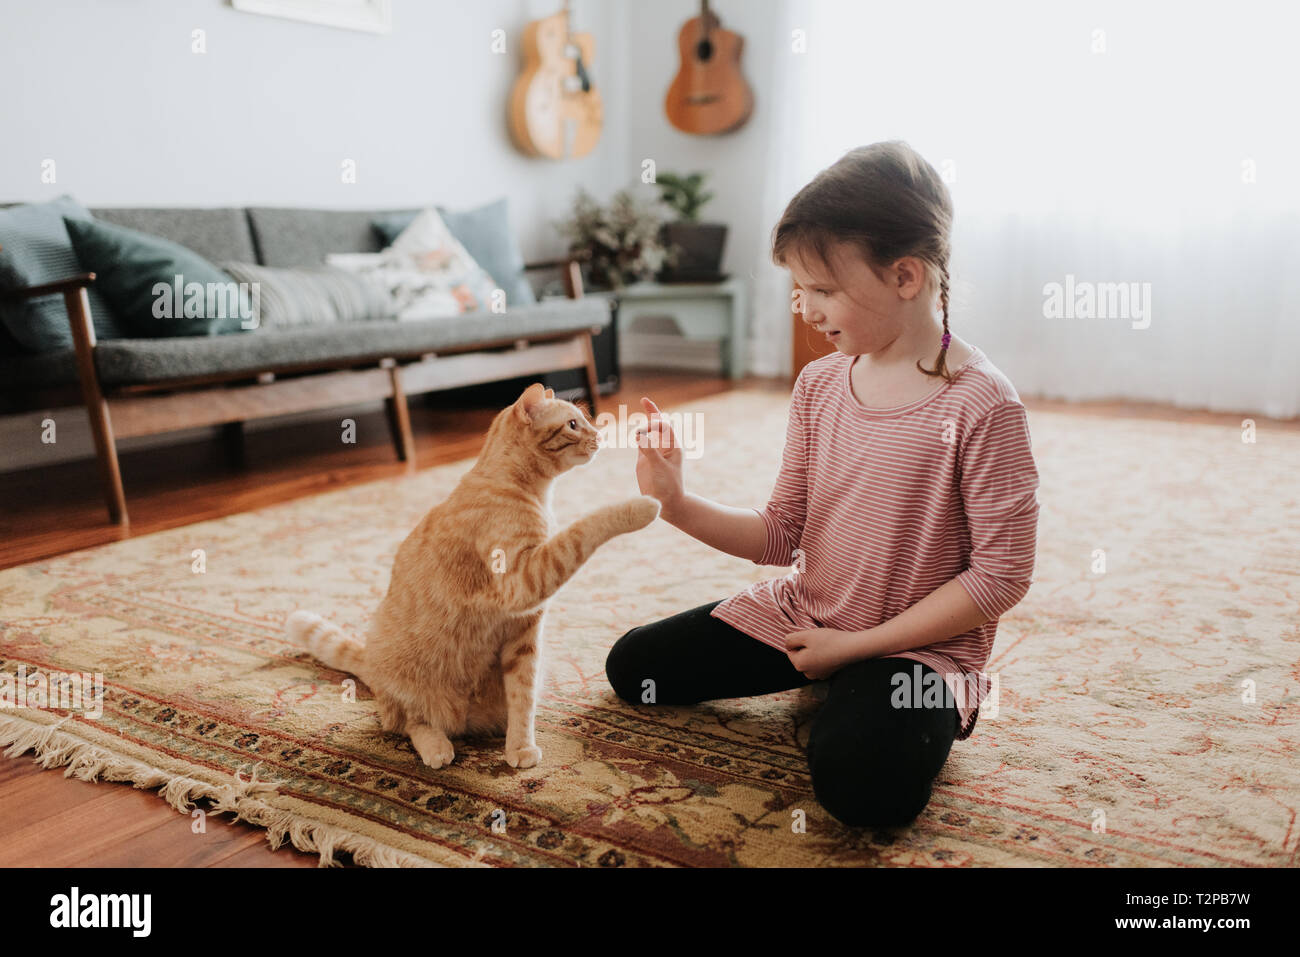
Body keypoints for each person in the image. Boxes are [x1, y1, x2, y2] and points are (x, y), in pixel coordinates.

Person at [605, 141, 1041, 828]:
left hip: (919, 649)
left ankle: (858, 691)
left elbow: (1001, 577)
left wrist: (858, 648)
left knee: (863, 786)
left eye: (824, 290)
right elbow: (782, 531)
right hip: (810, 615)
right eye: (798, 289)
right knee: (634, 668)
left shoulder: (984, 405)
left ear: (905, 276)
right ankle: (839, 681)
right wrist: (676, 501)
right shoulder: (818, 385)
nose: (805, 310)